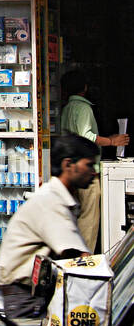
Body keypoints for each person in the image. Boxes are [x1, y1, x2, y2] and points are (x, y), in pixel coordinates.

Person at [0, 133, 97, 319]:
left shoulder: (65, 199)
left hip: (33, 294)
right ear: (68, 165)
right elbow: (75, 255)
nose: (94, 171)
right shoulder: (52, 201)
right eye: (89, 164)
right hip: (25, 297)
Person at [60, 67, 128, 250]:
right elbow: (86, 136)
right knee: (89, 217)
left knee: (77, 216)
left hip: (70, 170)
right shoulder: (82, 108)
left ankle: (73, 255)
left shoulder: (67, 109)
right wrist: (112, 141)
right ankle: (83, 259)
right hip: (85, 171)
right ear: (85, 87)